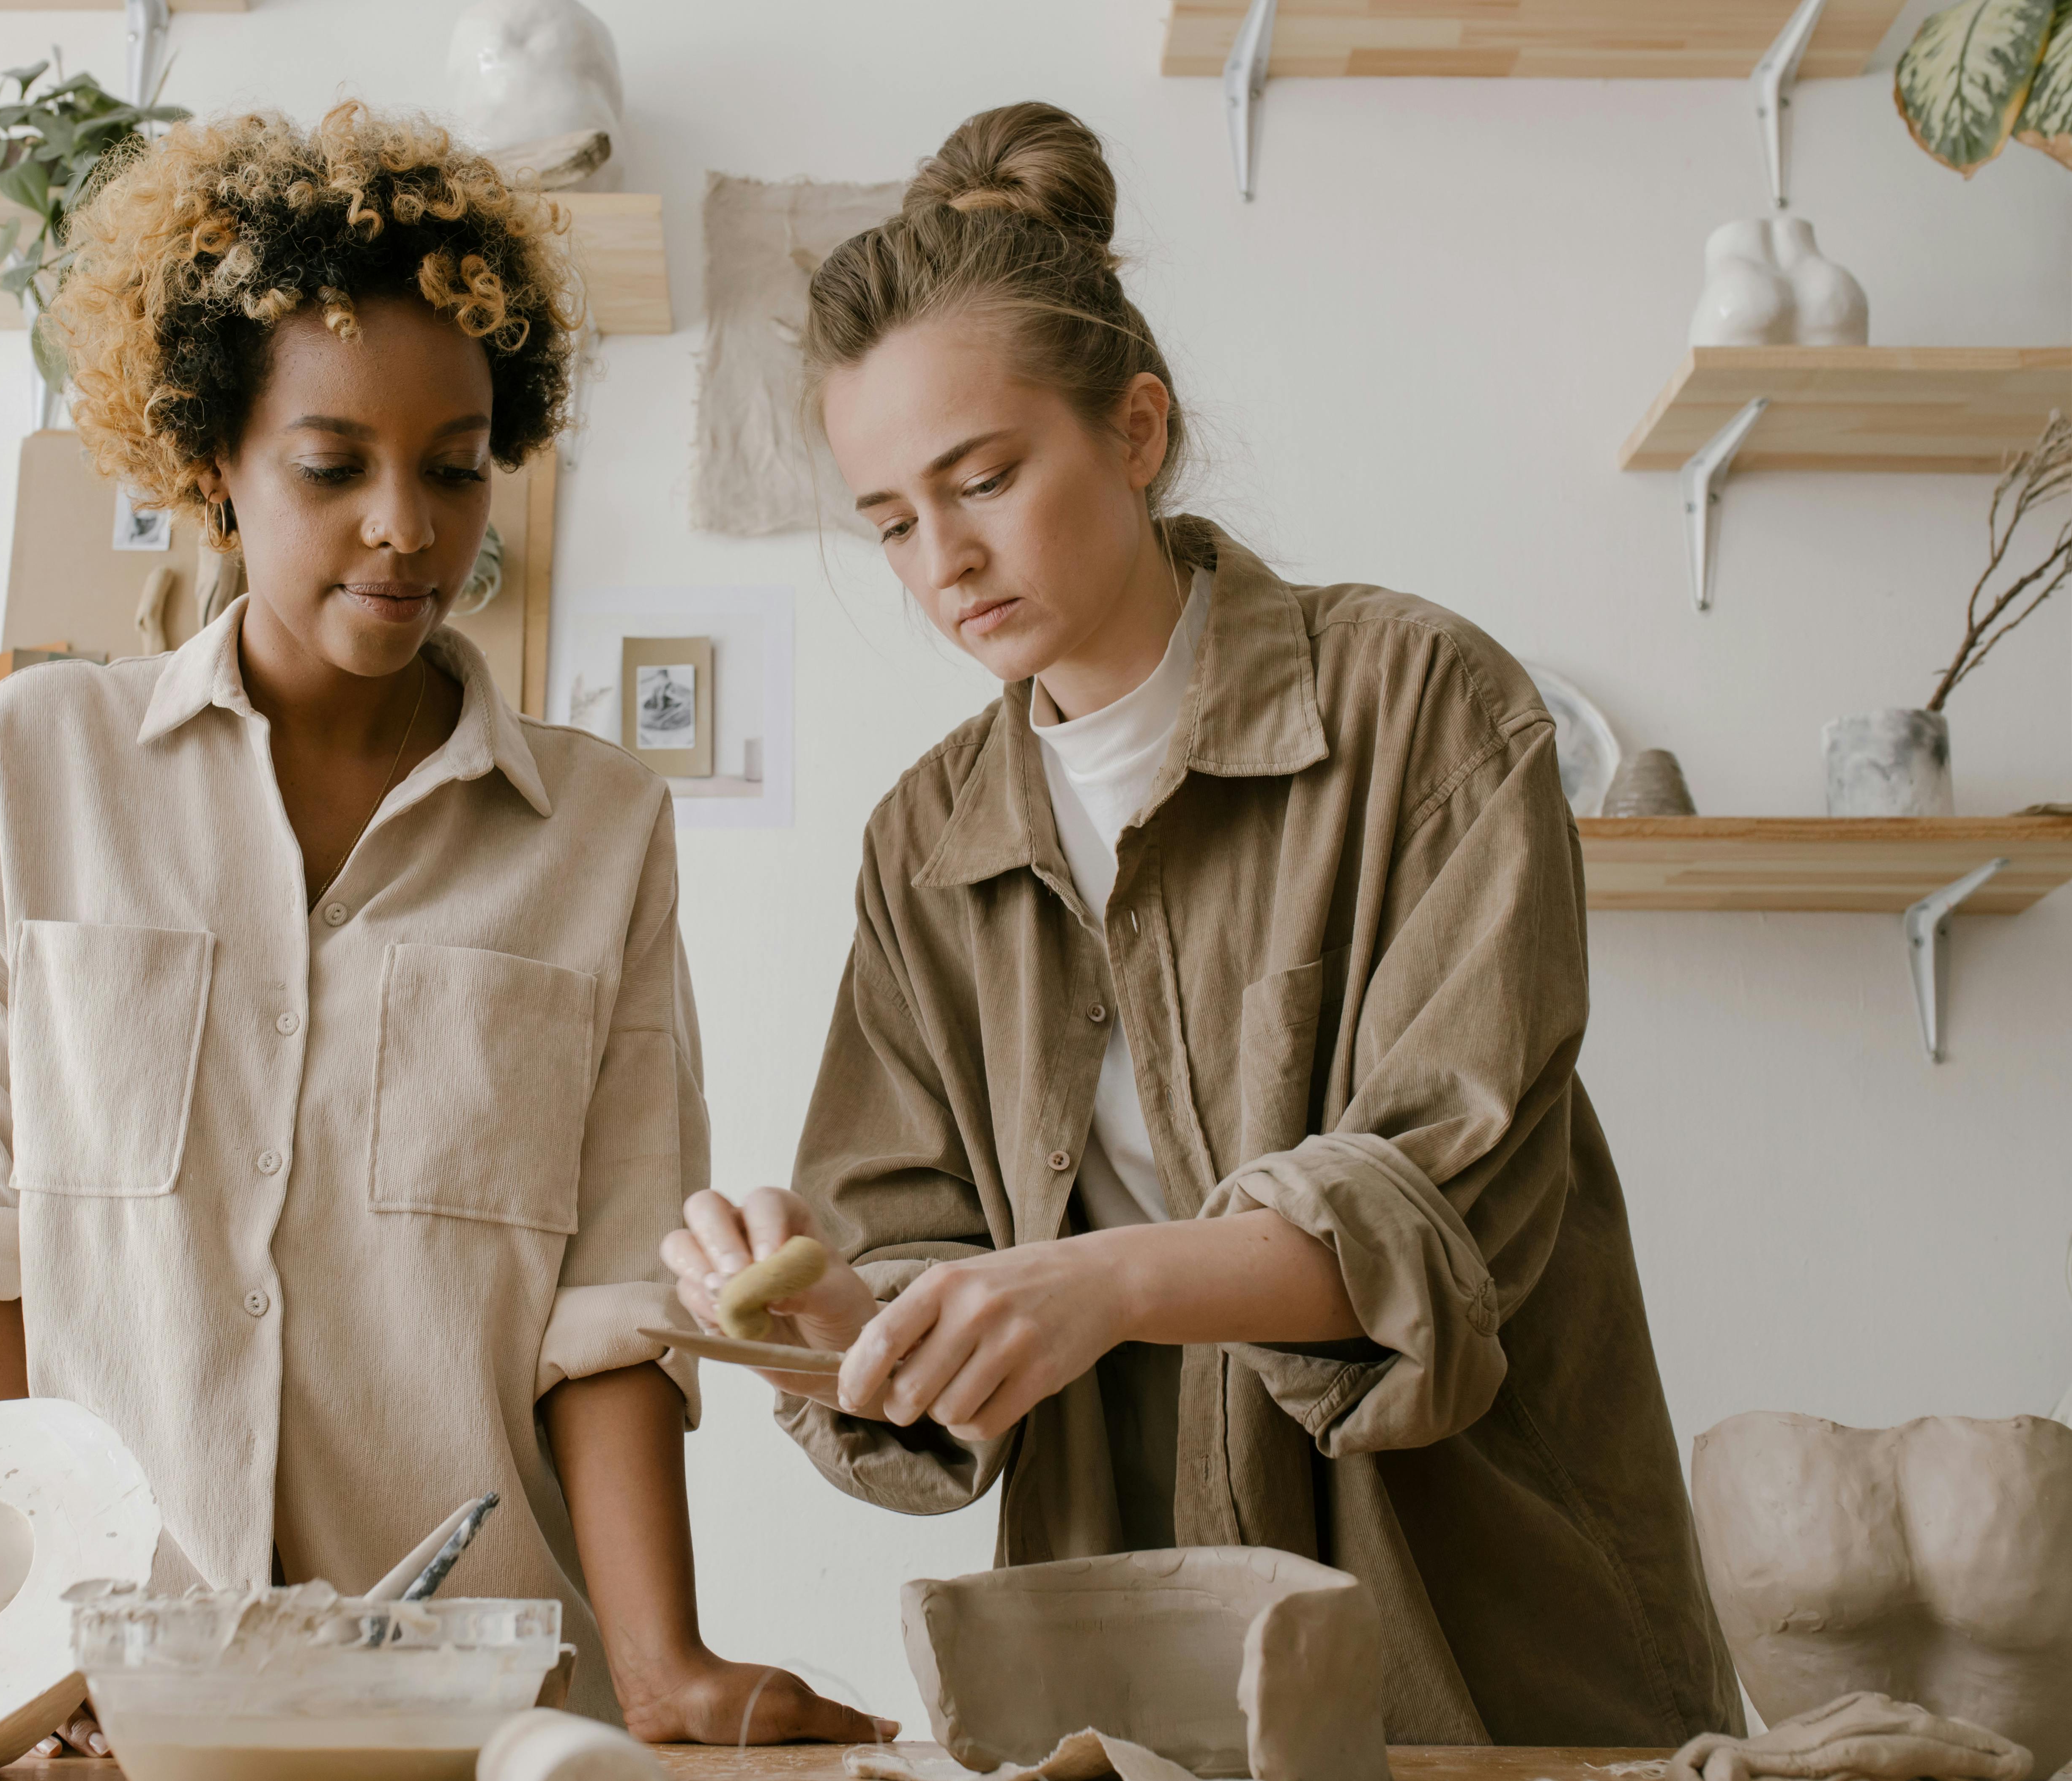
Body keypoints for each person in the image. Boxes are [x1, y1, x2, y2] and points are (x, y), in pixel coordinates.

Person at [663, 102, 1743, 1743]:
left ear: (1136, 429)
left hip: (1472, 1612)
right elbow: (926, 1265)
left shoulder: (1422, 706)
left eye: (985, 478)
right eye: (888, 519)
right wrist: (835, 1313)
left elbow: (1449, 1205)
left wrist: (1099, 1280)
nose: (942, 558)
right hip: (1127, 1637)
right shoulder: (923, 846)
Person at [0, 102, 883, 1750]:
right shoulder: (40, 769)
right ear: (210, 458)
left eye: (454, 464)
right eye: (332, 466)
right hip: (109, 1717)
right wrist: (8, 1665)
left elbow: (612, 1302)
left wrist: (666, 1671)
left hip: (483, 1710)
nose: (406, 527)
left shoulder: (600, 833)